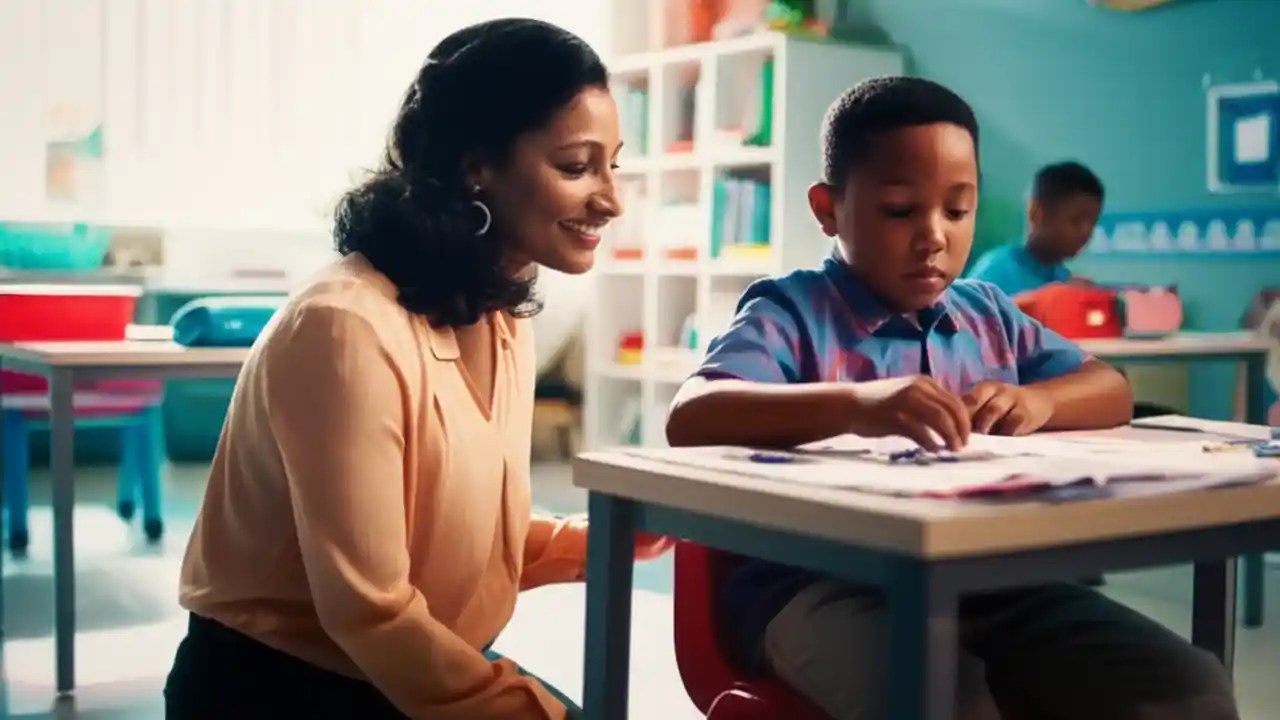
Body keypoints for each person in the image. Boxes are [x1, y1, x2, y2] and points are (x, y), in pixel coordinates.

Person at [665, 77, 1238, 720]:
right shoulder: (792, 309)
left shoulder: (986, 311)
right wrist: (859, 404)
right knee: (944, 699)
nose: (933, 236)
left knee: (1188, 684)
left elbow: (1111, 390)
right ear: (828, 208)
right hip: (817, 588)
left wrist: (1040, 402)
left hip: (985, 581)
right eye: (900, 210)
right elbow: (693, 414)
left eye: (957, 211)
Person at [164, 18, 670, 720]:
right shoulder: (344, 328)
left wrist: (606, 541)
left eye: (615, 165)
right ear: (475, 166)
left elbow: (461, 536)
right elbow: (371, 610)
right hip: (284, 690)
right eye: (577, 166)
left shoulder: (500, 315)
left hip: (402, 665)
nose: (612, 199)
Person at [966, 161, 1104, 297]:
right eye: (1076, 221)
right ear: (1036, 213)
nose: (1086, 232)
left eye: (1093, 223)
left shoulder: (1064, 278)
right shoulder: (995, 271)